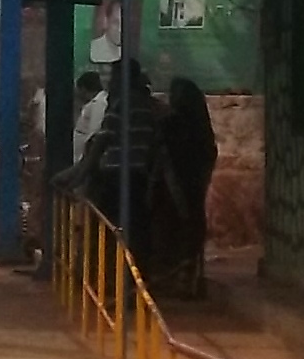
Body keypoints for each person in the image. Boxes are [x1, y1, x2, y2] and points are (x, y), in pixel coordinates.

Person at [149, 78, 218, 299]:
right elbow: (210, 155)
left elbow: (160, 157)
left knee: (172, 235)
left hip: (171, 190)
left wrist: (155, 184)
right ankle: (190, 282)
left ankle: (176, 283)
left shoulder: (169, 124)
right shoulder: (201, 128)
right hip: (193, 189)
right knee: (191, 236)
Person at [92, 58, 157, 265]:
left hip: (118, 174)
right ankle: (135, 274)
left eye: (113, 77)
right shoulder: (147, 103)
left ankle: (111, 275)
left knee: (108, 226)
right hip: (141, 175)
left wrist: (79, 172)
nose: (109, 83)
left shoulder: (122, 103)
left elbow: (104, 138)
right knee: (138, 227)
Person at [72, 71, 108, 165]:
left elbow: (94, 132)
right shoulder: (93, 103)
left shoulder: (99, 103)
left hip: (83, 159)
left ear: (83, 88)